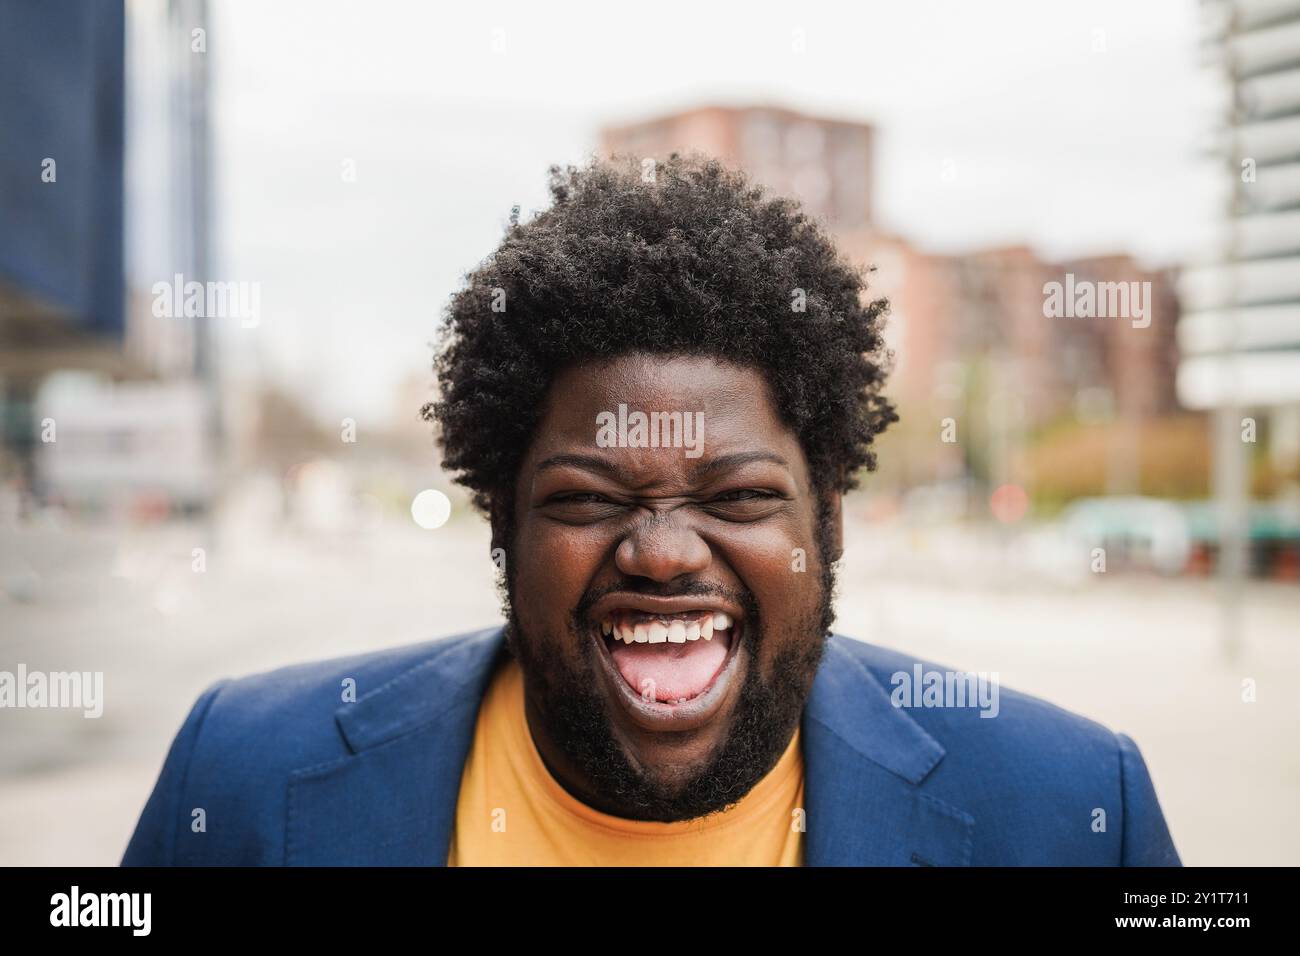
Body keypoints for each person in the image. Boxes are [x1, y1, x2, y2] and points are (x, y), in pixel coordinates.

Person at [122, 155, 1180, 866]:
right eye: (587, 497)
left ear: (832, 528)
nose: (665, 552)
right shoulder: (243, 777)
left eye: (738, 496)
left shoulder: (1071, 810)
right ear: (502, 527)